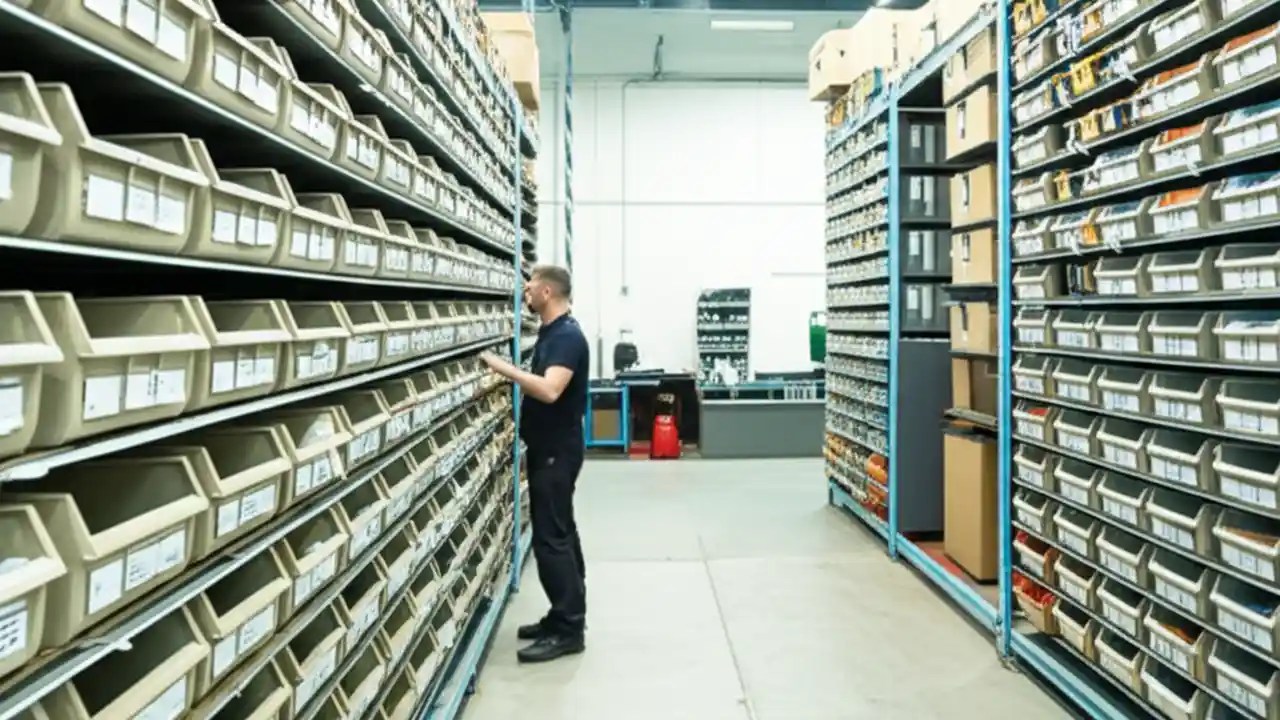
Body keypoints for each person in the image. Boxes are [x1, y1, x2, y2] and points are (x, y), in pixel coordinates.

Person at [480, 264, 589, 663]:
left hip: (557, 451)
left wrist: (503, 368)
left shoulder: (566, 336)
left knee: (551, 540)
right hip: (550, 448)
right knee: (562, 532)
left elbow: (550, 390)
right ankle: (563, 616)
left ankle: (569, 629)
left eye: (529, 288)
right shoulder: (553, 332)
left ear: (546, 293)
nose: (524, 294)